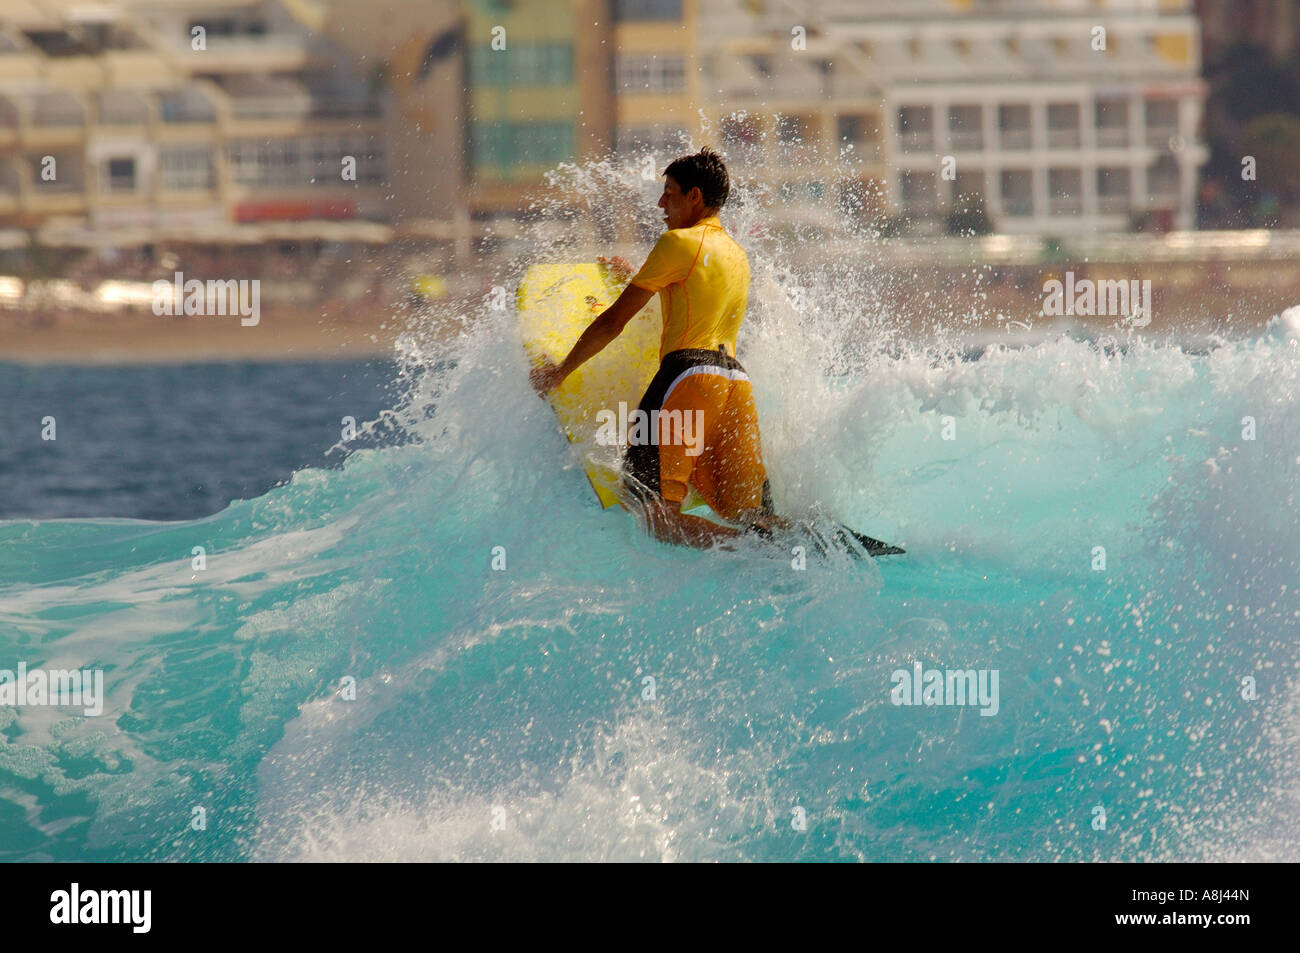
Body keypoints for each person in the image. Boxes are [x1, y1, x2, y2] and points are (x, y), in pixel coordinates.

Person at [530, 146, 780, 547]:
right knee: (756, 517)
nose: (661, 203)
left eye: (670, 192)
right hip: (735, 385)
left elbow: (613, 322)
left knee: (657, 519)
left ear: (694, 196)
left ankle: (752, 550)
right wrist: (637, 275)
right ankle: (799, 545)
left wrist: (558, 373)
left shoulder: (677, 242)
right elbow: (694, 299)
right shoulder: (736, 254)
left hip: (687, 379)